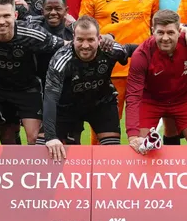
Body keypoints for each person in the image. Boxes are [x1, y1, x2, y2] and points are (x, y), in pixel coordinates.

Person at [0, 0, 67, 146]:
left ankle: (32, 170)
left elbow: (66, 44)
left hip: (26, 89)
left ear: (15, 15)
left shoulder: (32, 33)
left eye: (6, 16)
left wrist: (100, 40)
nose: (1, 22)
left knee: (35, 138)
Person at [79, 0, 159, 117]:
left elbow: (155, 28)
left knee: (141, 131)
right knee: (103, 132)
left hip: (142, 70)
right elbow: (82, 33)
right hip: (106, 71)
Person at [40, 16, 134, 154]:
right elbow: (50, 98)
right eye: (80, 40)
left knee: (112, 152)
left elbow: (135, 49)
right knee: (42, 148)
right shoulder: (61, 59)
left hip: (101, 104)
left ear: (99, 38)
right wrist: (50, 137)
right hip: (66, 108)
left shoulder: (110, 49)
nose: (85, 45)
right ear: (73, 38)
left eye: (90, 39)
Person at [125, 10, 187, 150]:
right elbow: (133, 96)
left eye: (170, 33)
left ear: (179, 30)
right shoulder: (141, 55)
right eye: (160, 33)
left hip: (184, 99)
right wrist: (133, 135)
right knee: (141, 146)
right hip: (151, 101)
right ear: (153, 31)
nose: (165, 38)